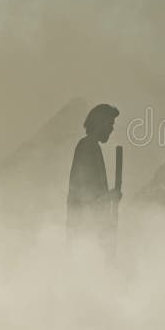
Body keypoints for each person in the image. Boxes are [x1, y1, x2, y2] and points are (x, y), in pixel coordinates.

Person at [66, 103, 122, 253]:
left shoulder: (91, 147)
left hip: (89, 232)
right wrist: (110, 196)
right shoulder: (87, 147)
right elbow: (84, 195)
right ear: (101, 123)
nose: (112, 129)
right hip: (85, 232)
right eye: (110, 123)